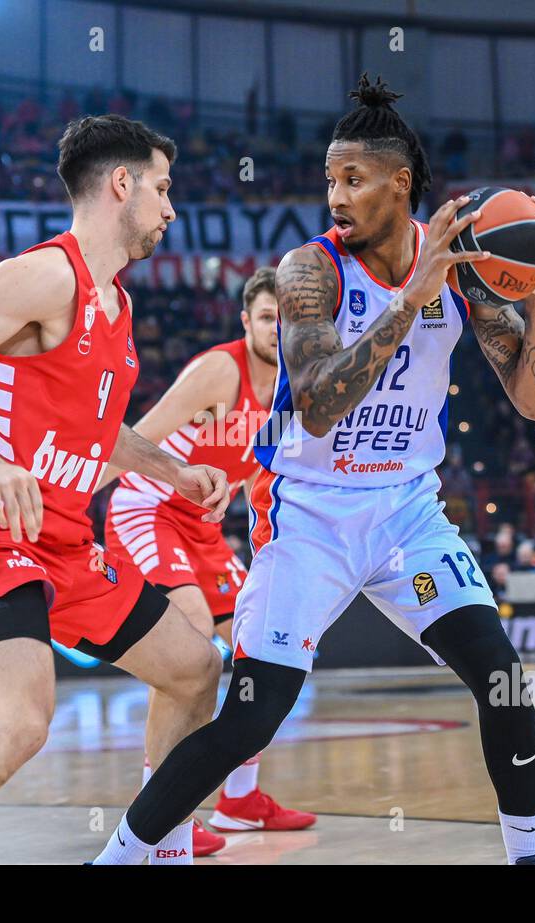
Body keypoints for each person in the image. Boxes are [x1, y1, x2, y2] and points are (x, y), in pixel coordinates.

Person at [95, 74, 535, 865]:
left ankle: (534, 859)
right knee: (253, 713)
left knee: (503, 680)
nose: (335, 196)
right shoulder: (308, 270)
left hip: (407, 518)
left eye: (352, 179)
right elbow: (316, 406)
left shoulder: (458, 266)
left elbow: (534, 400)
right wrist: (409, 302)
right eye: (329, 180)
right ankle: (115, 858)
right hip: (308, 516)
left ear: (400, 184)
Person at [0, 114, 230, 865]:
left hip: (65, 537)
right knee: (19, 723)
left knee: (197, 670)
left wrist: (174, 472)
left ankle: (148, 854)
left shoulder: (118, 306)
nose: (170, 209)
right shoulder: (47, 275)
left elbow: (96, 430)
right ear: (121, 185)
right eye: (162, 189)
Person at [100, 266, 315, 858]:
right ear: (246, 321)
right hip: (150, 508)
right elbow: (134, 438)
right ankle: (159, 813)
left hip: (205, 527)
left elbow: (257, 476)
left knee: (269, 643)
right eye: (268, 317)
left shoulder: (298, 385)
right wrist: (64, 501)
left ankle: (240, 799)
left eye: (289, 318)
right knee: (192, 651)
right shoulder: (219, 370)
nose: (278, 328)